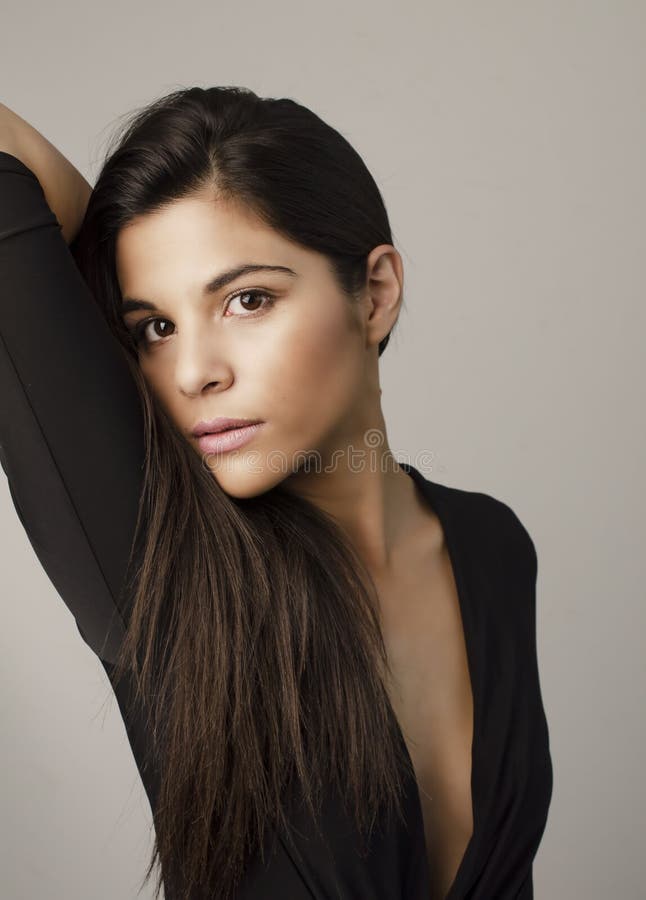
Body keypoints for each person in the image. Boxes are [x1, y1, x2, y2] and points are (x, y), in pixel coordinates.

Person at [0, 86, 552, 900]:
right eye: (155, 327)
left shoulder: (493, 546)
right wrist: (116, 247)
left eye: (246, 300)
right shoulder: (164, 570)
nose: (193, 373)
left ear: (376, 293)